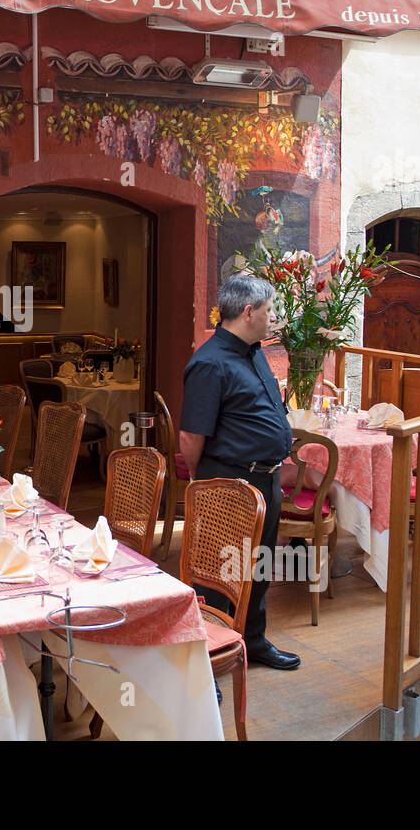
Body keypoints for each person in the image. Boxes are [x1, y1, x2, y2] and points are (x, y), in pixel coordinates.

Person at [179, 275, 301, 671]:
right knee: (218, 574)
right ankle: (206, 659)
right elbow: (191, 434)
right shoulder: (209, 362)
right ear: (249, 313)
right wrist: (206, 482)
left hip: (265, 480)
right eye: (270, 312)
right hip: (229, 482)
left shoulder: (253, 352)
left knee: (258, 566)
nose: (274, 319)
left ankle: (252, 641)